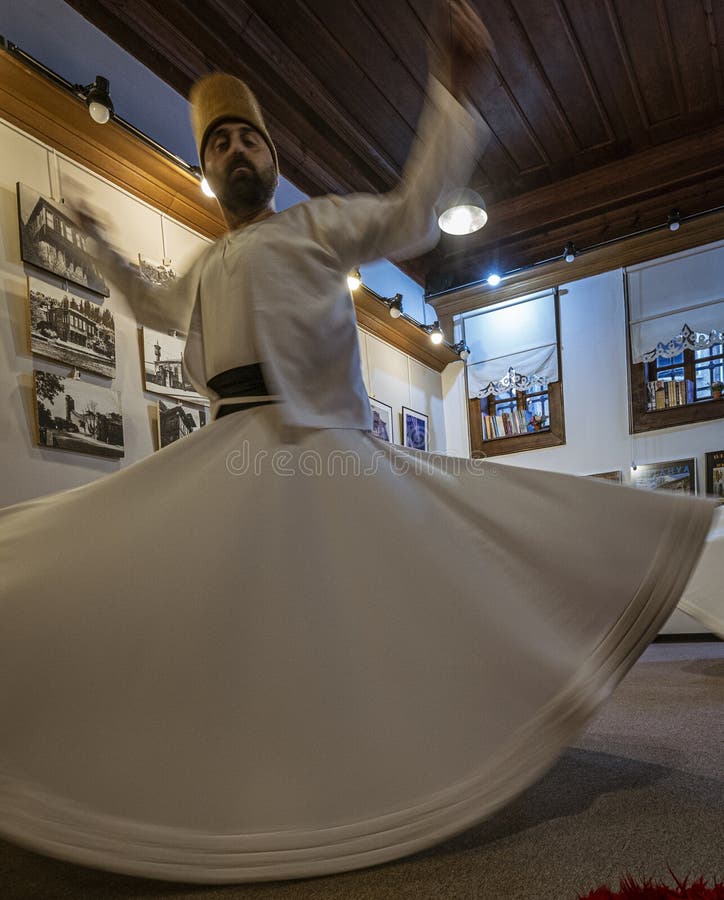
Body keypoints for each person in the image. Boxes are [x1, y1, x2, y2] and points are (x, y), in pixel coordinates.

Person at [0, 0, 720, 885]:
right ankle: (253, 770)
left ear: (274, 158)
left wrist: (451, 86)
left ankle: (394, 759)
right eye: (218, 144)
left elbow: (416, 212)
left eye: (248, 140)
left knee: (397, 605)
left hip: (323, 453)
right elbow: (154, 308)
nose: (235, 152)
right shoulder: (201, 263)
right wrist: (106, 249)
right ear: (207, 169)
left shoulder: (319, 225)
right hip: (230, 453)